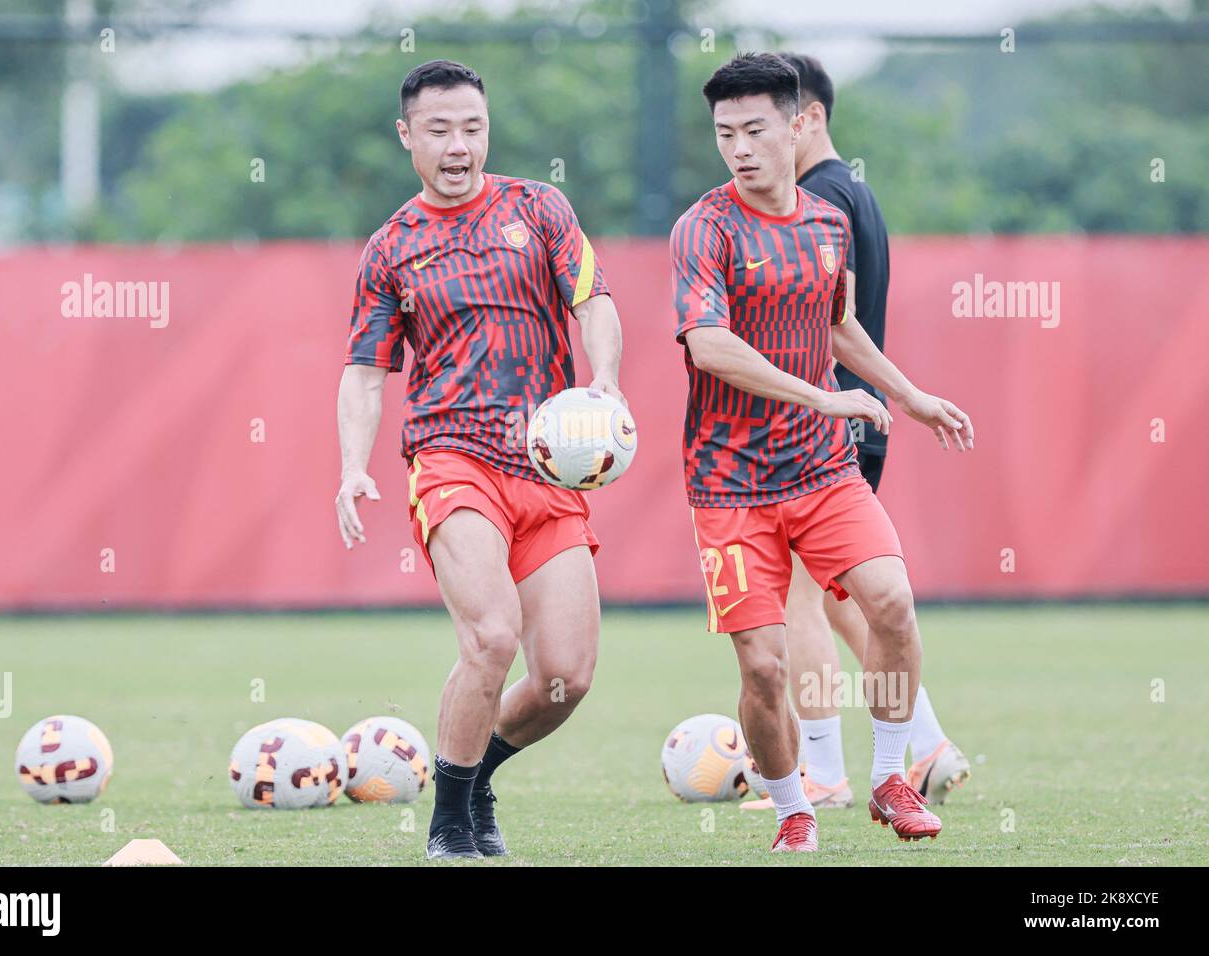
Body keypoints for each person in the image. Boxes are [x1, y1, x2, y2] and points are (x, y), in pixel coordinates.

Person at [670, 53, 974, 851]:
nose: (739, 147)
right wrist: (826, 396)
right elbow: (708, 346)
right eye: (725, 133)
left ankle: (885, 778)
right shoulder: (704, 227)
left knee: (894, 606)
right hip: (731, 484)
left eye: (755, 130)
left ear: (795, 123)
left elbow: (838, 327)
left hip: (822, 468)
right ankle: (792, 807)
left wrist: (909, 395)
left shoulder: (827, 221)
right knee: (765, 670)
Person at [336, 60, 626, 860]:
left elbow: (593, 299)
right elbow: (365, 370)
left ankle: (474, 776)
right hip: (450, 457)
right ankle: (447, 830)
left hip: (548, 466)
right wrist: (352, 466)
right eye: (439, 130)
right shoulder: (393, 246)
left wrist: (602, 378)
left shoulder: (540, 207)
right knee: (492, 638)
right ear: (407, 136)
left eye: (472, 128)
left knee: (565, 678)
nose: (458, 145)